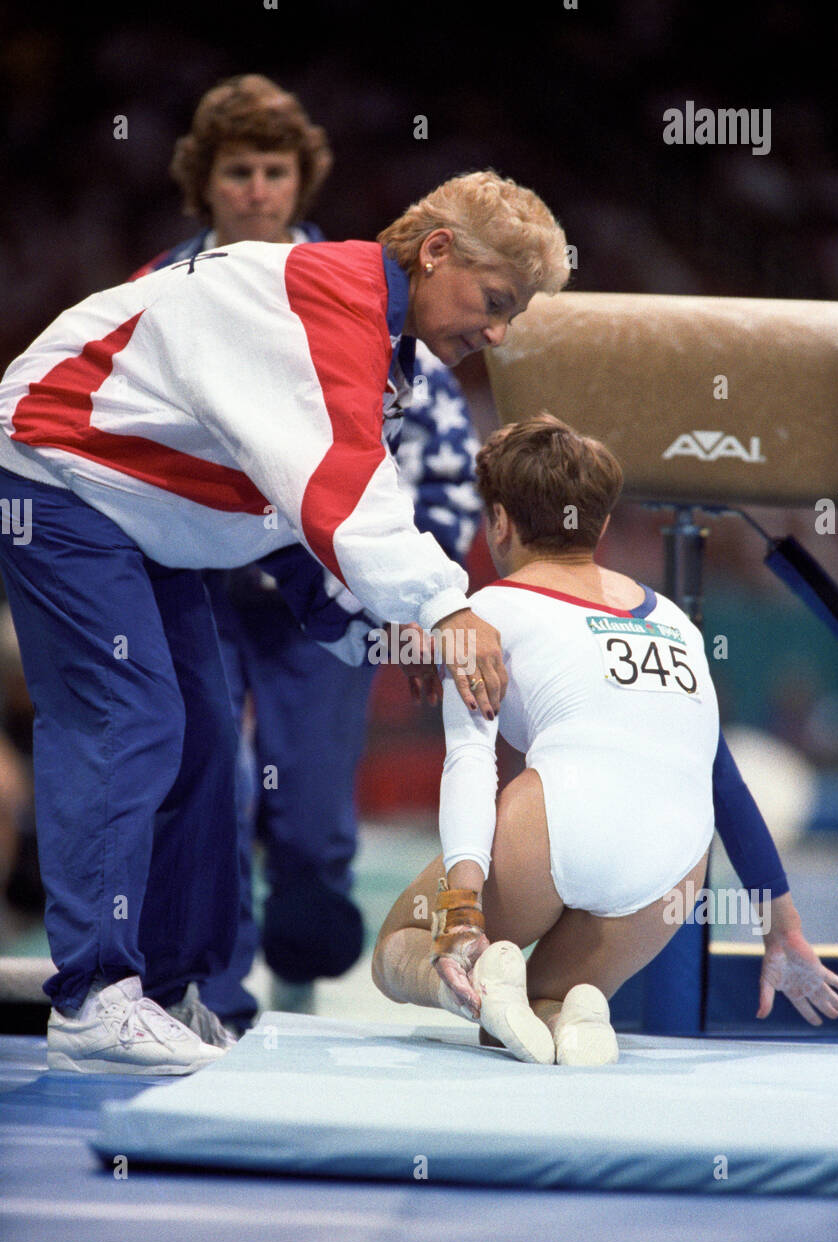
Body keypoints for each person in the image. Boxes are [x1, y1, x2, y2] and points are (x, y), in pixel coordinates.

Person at [0, 172, 571, 1072]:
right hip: (59, 471)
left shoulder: (381, 345)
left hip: (145, 505)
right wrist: (444, 607)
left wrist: (377, 631)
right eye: (495, 301)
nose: (496, 333)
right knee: (132, 718)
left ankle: (164, 990)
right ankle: (92, 999)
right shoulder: (325, 297)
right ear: (436, 252)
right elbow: (334, 490)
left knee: (202, 739)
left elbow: (284, 509)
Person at [131, 75, 485, 1030]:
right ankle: (217, 992)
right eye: (237, 171)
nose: (256, 190)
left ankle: (291, 959)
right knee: (208, 791)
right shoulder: (156, 290)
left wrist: (419, 607)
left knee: (313, 825)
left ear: (299, 181)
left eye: (273, 171)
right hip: (193, 586)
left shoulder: (365, 291)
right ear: (203, 183)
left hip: (321, 595)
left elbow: (445, 456)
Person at [371, 415, 838, 1063]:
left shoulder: (481, 616)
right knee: (526, 1014)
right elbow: (723, 782)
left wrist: (462, 911)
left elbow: (471, 765)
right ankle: (578, 1008)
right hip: (670, 869)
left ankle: (466, 984)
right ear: (598, 526)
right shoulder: (675, 620)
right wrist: (782, 928)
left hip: (557, 823)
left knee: (400, 945)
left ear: (501, 523)